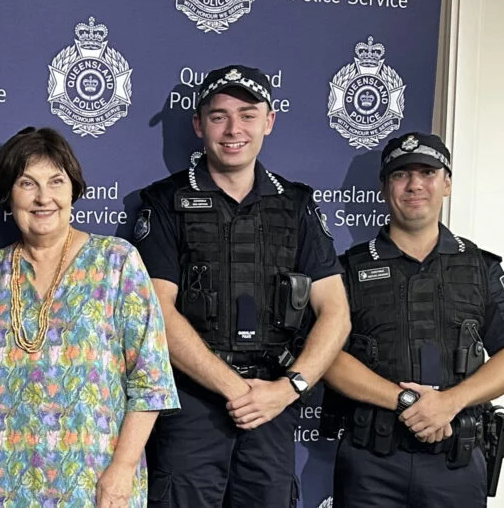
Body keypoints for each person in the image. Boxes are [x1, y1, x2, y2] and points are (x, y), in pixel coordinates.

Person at [131, 65, 351, 507]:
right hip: (191, 405)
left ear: (269, 121)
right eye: (218, 116)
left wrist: (288, 389)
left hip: (273, 404)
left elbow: (336, 313)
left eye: (248, 114)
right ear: (198, 125)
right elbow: (157, 312)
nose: (234, 129)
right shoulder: (164, 202)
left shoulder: (297, 205)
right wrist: (235, 388)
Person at [0, 126, 180, 508]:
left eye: (56, 181)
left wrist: (122, 471)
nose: (44, 198)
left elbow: (150, 380)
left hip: (95, 484)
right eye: (27, 183)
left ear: (73, 189)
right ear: (9, 196)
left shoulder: (116, 262)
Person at [323, 132, 504, 507]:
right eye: (401, 175)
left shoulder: (480, 267)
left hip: (455, 462)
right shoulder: (347, 270)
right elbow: (326, 356)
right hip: (371, 464)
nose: (415, 184)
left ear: (446, 183)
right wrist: (405, 400)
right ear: (384, 187)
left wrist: (449, 402)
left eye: (428, 172)